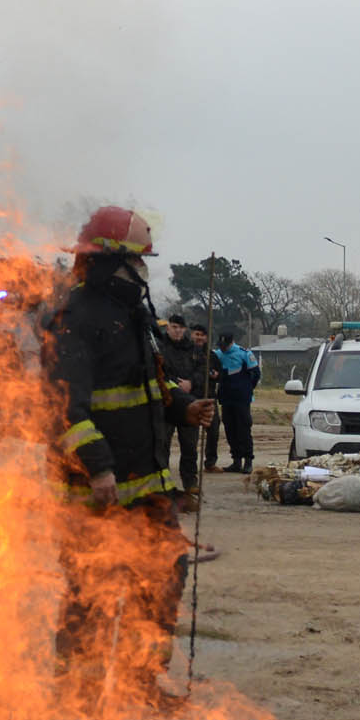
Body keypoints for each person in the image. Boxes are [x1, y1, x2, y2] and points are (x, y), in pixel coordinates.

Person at [41, 207, 217, 590]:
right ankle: (84, 654)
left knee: (163, 580)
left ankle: (147, 654)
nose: (143, 266)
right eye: (137, 258)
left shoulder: (135, 315)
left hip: (146, 490)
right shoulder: (75, 319)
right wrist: (99, 468)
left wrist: (186, 408)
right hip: (95, 497)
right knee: (93, 598)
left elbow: (154, 382)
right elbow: (61, 408)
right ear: (112, 262)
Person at [159, 316, 213, 502]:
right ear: (168, 328)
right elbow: (157, 370)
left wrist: (192, 383)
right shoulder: (159, 347)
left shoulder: (194, 350)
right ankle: (162, 483)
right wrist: (173, 384)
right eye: (174, 327)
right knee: (162, 444)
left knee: (190, 446)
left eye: (181, 328)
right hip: (166, 404)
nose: (177, 331)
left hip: (190, 404)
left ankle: (190, 483)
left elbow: (203, 371)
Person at [213, 329, 260, 472]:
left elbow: (256, 374)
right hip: (226, 399)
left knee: (243, 429)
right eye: (220, 345)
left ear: (231, 342)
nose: (223, 348)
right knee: (230, 430)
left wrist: (246, 389)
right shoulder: (217, 354)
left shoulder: (244, 353)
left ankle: (248, 461)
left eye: (225, 345)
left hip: (242, 399)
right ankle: (236, 461)